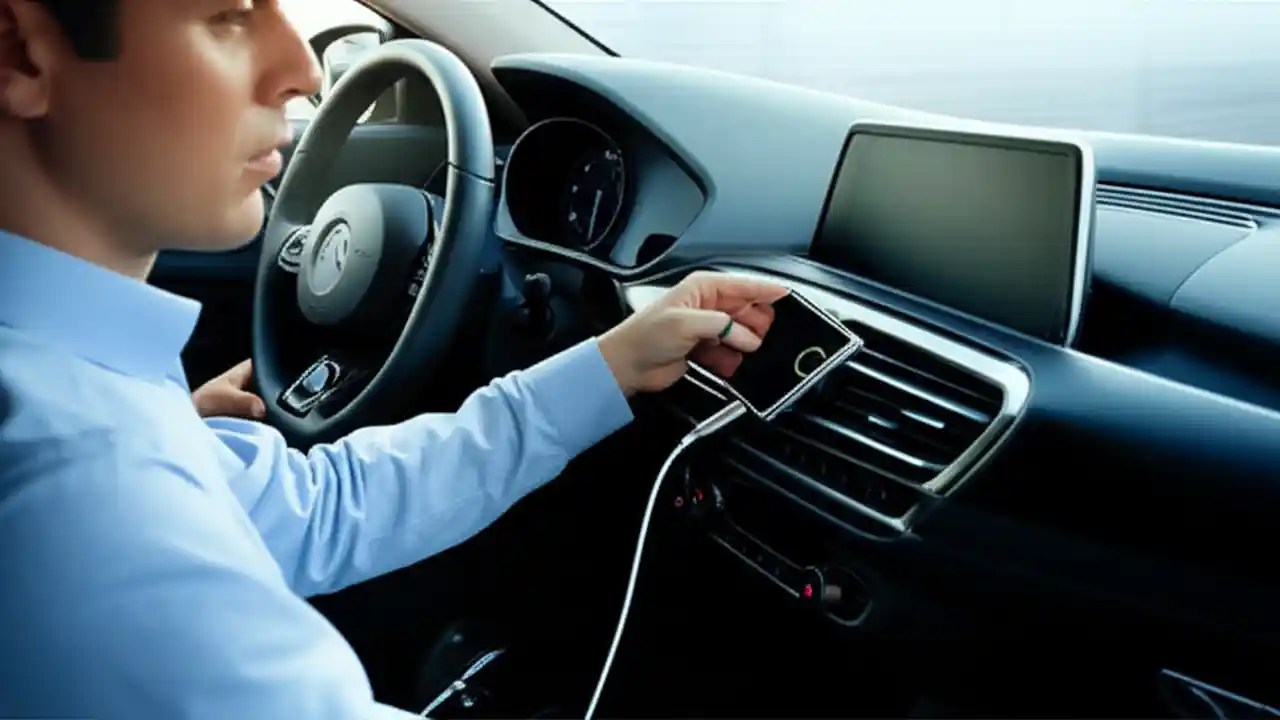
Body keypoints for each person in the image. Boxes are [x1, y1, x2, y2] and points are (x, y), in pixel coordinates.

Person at [0, 1, 787, 718]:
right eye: (229, 15)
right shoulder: (89, 491)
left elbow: (314, 508)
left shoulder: (69, 391)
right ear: (19, 54)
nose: (301, 70)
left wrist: (608, 365)